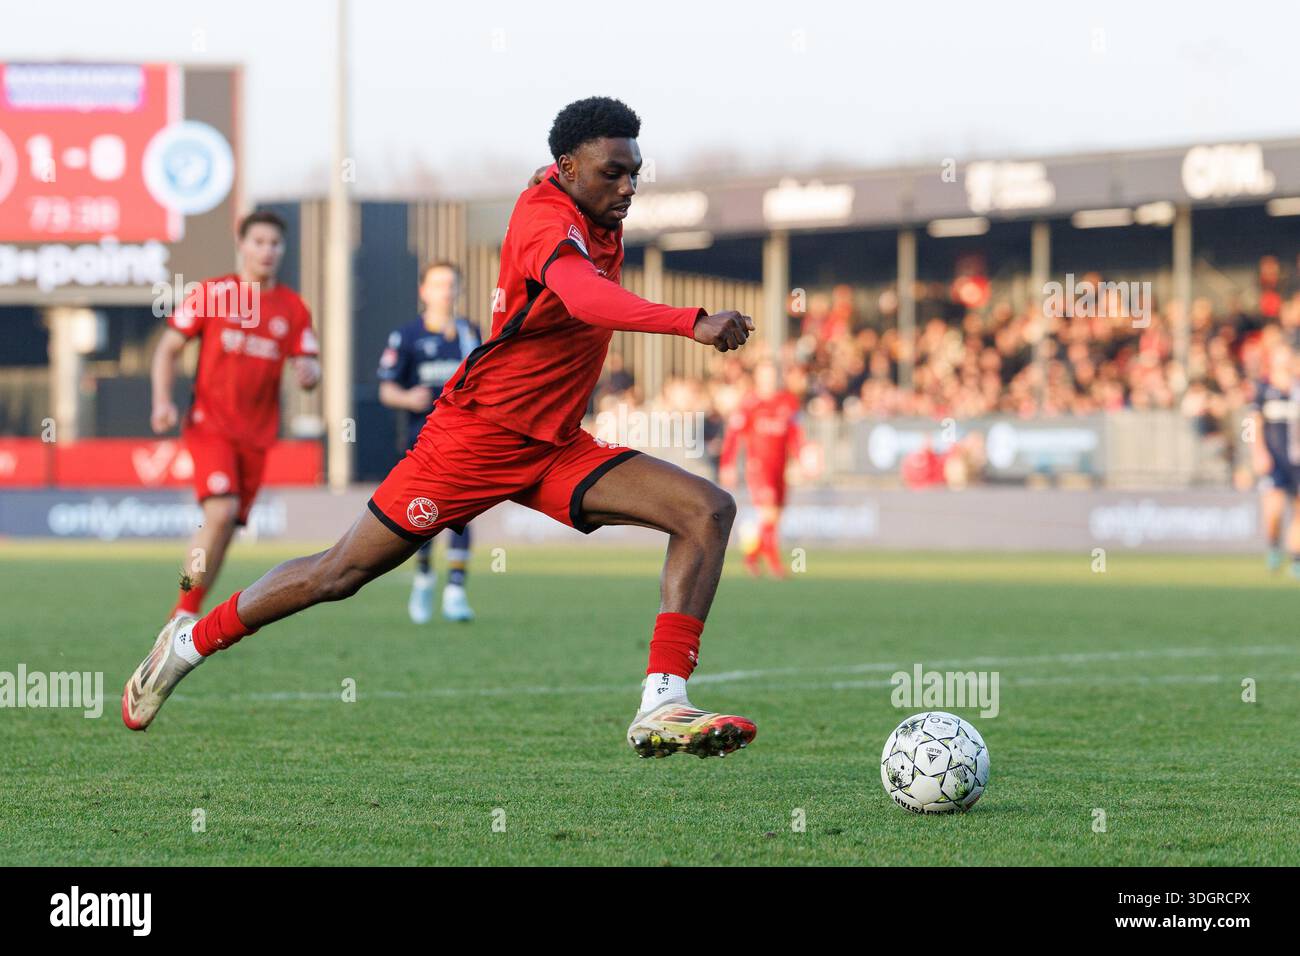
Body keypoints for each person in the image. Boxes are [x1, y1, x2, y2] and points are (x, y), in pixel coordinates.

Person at [123, 96, 758, 760]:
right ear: (566, 167)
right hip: (474, 440)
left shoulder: (593, 208)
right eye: (612, 172)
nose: (627, 186)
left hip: (555, 444)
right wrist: (692, 321)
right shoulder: (546, 218)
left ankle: (662, 701)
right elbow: (583, 295)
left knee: (706, 510)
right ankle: (189, 643)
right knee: (339, 573)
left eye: (635, 171)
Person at [149, 210, 320, 621]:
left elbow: (310, 372)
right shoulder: (212, 294)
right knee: (220, 512)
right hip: (211, 425)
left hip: (257, 437)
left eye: (274, 244)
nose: (267, 251)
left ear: (283, 249)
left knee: (226, 527)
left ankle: (190, 611)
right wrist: (161, 401)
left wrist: (311, 373)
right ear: (242, 245)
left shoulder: (293, 308)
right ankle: (181, 612)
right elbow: (168, 348)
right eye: (258, 242)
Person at [378, 261, 480, 623]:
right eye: (438, 284)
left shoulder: (471, 333)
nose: (446, 291)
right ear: (424, 291)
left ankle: (455, 590)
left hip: (466, 438)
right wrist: (407, 399)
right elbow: (386, 388)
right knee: (425, 513)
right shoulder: (406, 336)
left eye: (452, 284)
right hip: (422, 439)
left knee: (464, 513)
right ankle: (423, 578)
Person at [719, 360, 803, 577]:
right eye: (764, 375)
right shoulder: (750, 403)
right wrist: (727, 463)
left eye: (772, 375)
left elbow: (794, 434)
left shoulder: (788, 401)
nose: (769, 379)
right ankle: (774, 564)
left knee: (775, 516)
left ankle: (751, 558)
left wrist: (800, 458)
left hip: (781, 467)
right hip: (758, 466)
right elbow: (733, 435)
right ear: (757, 377)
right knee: (768, 514)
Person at [1249, 343, 1300, 575]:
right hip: (1275, 460)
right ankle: (1273, 546)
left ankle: (1297, 559)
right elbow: (1251, 423)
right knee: (1274, 512)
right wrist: (1257, 451)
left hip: (1297, 459)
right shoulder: (1263, 388)